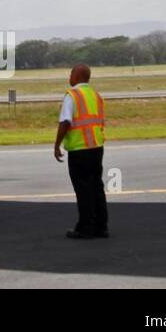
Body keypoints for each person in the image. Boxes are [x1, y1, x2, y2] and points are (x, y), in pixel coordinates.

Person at [53, 64, 109, 239]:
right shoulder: (95, 95)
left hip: (79, 150)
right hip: (96, 147)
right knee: (97, 187)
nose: (69, 76)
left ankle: (85, 227)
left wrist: (57, 145)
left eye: (71, 73)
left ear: (77, 76)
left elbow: (66, 122)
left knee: (83, 190)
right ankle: (101, 226)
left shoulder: (73, 96)